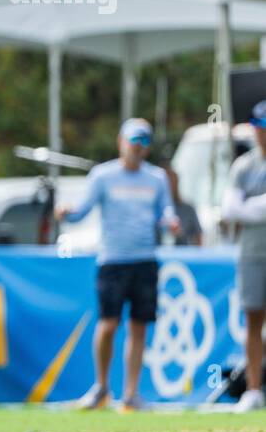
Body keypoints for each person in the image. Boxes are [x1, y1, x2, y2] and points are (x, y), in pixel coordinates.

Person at [55, 118, 178, 411]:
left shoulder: (157, 178)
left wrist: (171, 222)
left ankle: (131, 394)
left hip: (145, 261)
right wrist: (66, 212)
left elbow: (166, 211)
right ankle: (101, 388)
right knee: (108, 325)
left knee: (138, 327)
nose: (137, 147)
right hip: (112, 261)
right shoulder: (102, 176)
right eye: (133, 140)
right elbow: (82, 210)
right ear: (121, 141)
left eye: (144, 142)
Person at [219, 100, 266, 411]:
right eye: (260, 128)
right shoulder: (244, 166)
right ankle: (252, 389)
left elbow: (241, 209)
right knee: (253, 321)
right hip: (252, 255)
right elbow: (230, 209)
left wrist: (251, 208)